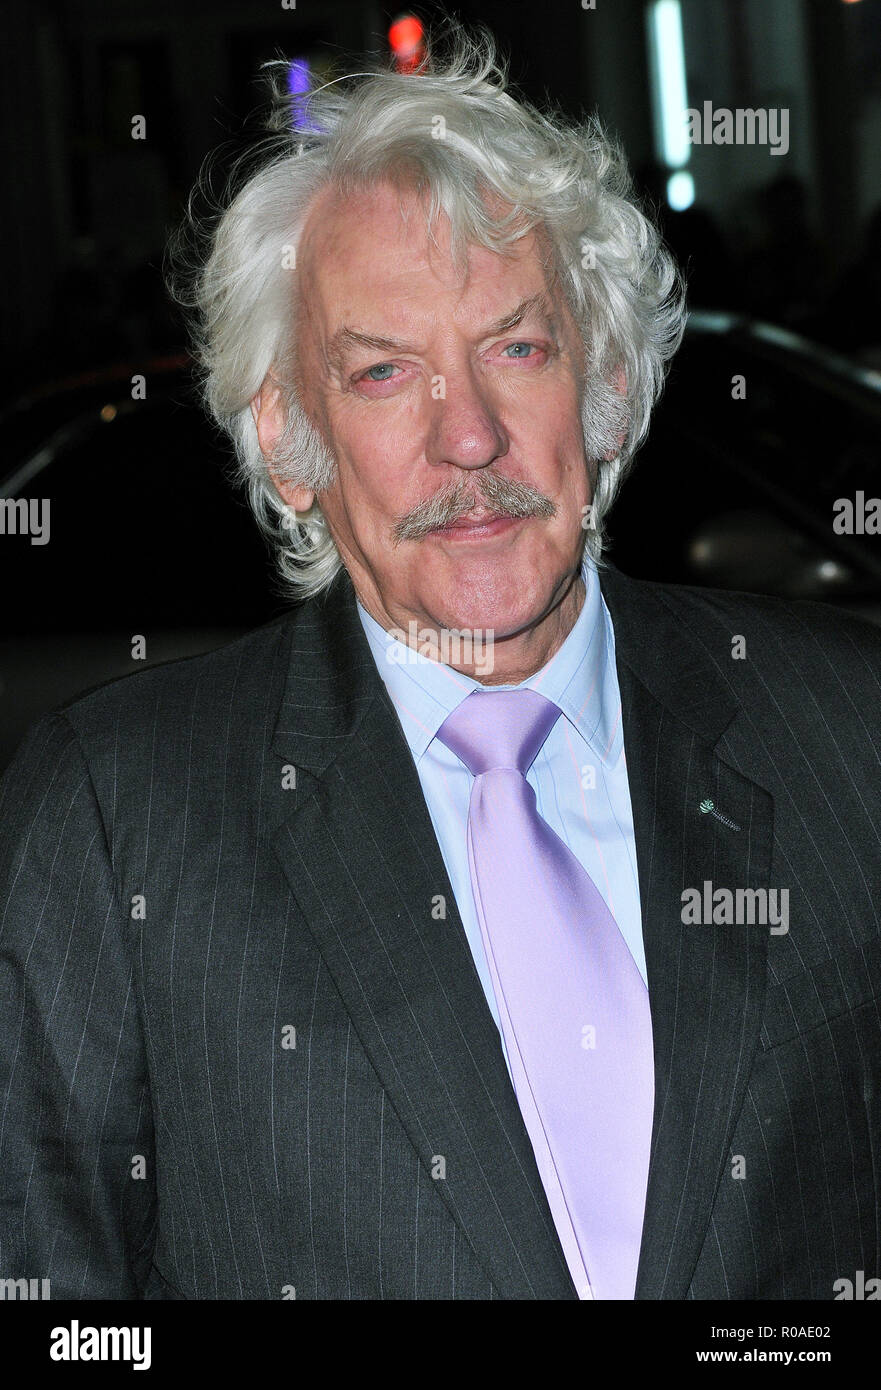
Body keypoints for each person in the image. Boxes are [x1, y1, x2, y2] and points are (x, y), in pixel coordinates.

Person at [1, 26, 879, 1302]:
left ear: (610, 385)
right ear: (290, 442)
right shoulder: (111, 823)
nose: (466, 434)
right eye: (380, 371)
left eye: (515, 348)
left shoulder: (848, 732)